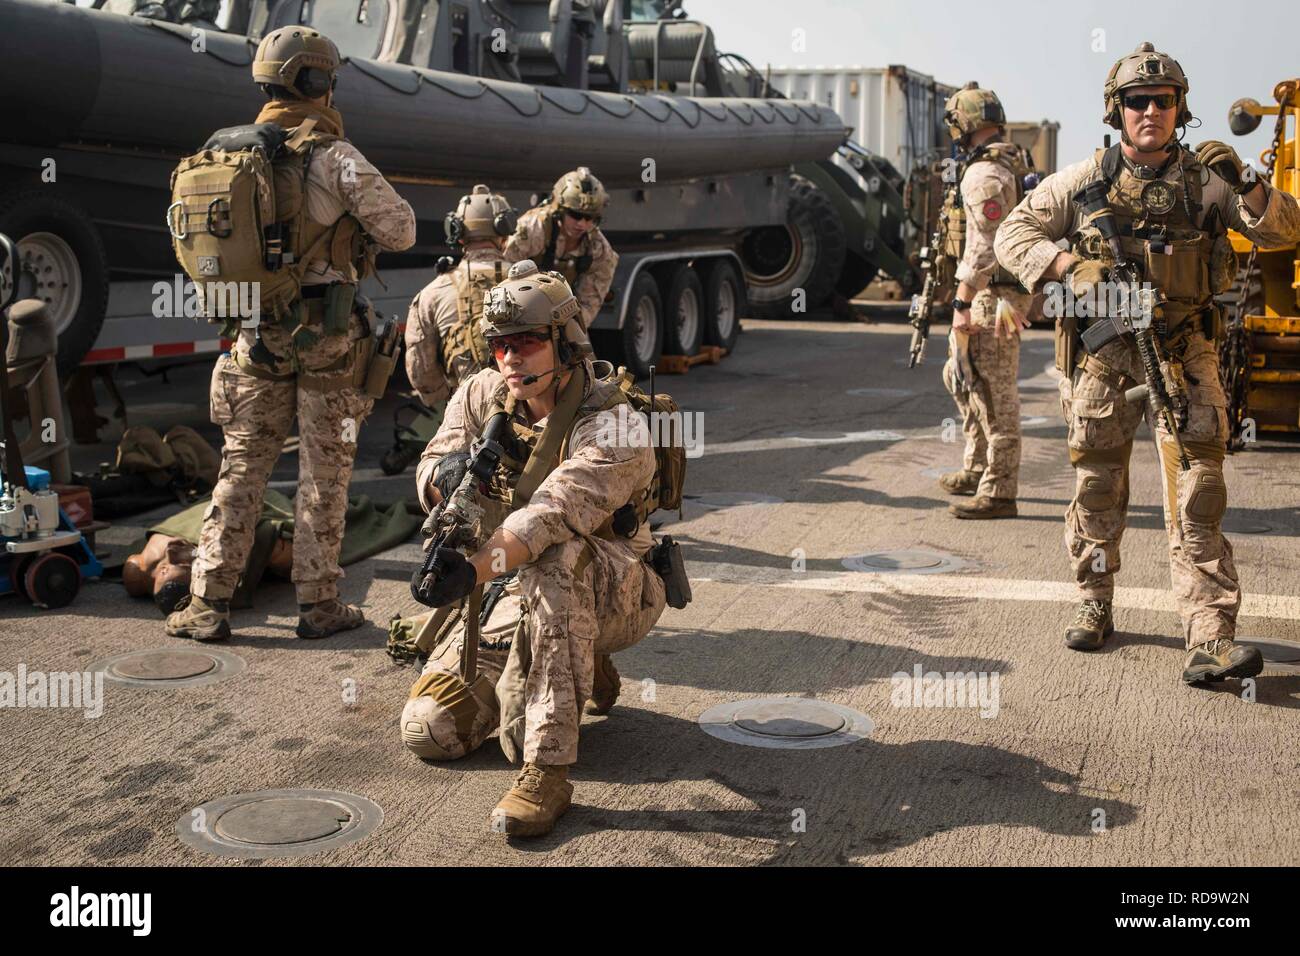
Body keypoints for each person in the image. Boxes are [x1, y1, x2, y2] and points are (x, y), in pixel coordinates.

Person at [995, 42, 1300, 683]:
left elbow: (1286, 232)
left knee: (1200, 491)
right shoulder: (1082, 181)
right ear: (1118, 110)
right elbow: (1012, 233)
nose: (1151, 110)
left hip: (1185, 346)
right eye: (1138, 101)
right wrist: (1070, 266)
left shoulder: (1209, 179)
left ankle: (1210, 635)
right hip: (1105, 351)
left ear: (1180, 109)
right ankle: (1094, 600)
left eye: (1164, 100)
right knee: (1097, 483)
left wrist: (1249, 183)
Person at [165, 26, 416, 641]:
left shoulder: (221, 155)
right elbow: (402, 230)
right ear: (317, 81)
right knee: (323, 473)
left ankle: (208, 602)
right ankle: (318, 604)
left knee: (241, 467)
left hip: (253, 331)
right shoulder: (334, 156)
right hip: (325, 335)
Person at [400, 260, 667, 836]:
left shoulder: (613, 425)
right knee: (432, 730)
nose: (510, 359)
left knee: (555, 557)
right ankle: (572, 666)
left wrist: (469, 573)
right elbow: (427, 462)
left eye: (525, 342)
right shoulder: (481, 395)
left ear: (565, 343)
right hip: (508, 583)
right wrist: (443, 480)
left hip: (614, 588)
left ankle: (547, 773)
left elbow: (546, 520)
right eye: (499, 346)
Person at [936, 83, 1034, 520]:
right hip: (995, 293)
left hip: (996, 296)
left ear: (964, 124)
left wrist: (961, 300)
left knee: (995, 391)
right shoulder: (1001, 162)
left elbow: (986, 245)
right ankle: (978, 465)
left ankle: (999, 490)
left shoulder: (984, 174)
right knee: (963, 375)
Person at [404, 185, 517, 407]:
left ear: (458, 235)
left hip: (466, 411)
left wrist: (451, 403)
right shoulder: (535, 283)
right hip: (530, 412)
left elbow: (421, 373)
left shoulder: (431, 294)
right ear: (504, 233)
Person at [504, 167, 618, 330]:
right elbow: (503, 274)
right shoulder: (533, 229)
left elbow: (589, 302)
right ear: (559, 210)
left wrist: (570, 329)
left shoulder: (599, 249)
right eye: (575, 215)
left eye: (590, 218)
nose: (582, 224)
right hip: (519, 310)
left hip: (563, 316)